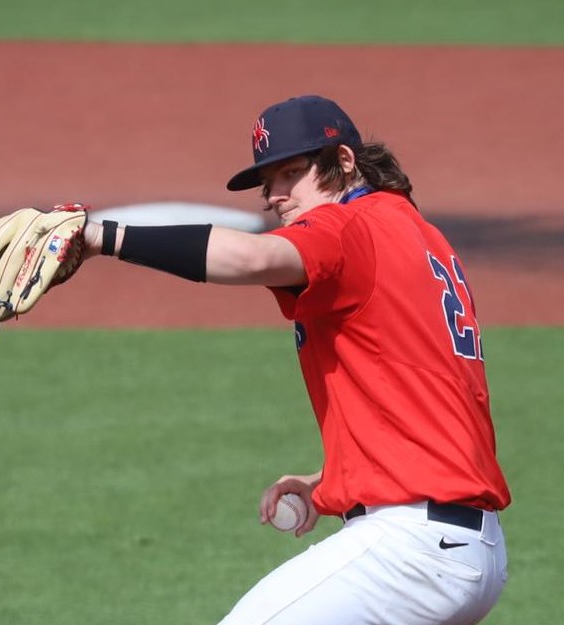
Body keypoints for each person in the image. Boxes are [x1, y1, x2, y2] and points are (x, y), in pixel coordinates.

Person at [80, 95, 511, 624]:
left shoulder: (350, 227)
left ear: (346, 162)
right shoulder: (416, 234)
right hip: (464, 546)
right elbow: (419, 397)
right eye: (269, 180)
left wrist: (98, 237)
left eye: (294, 171)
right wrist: (331, 479)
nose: (278, 194)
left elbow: (252, 256)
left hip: (411, 552)